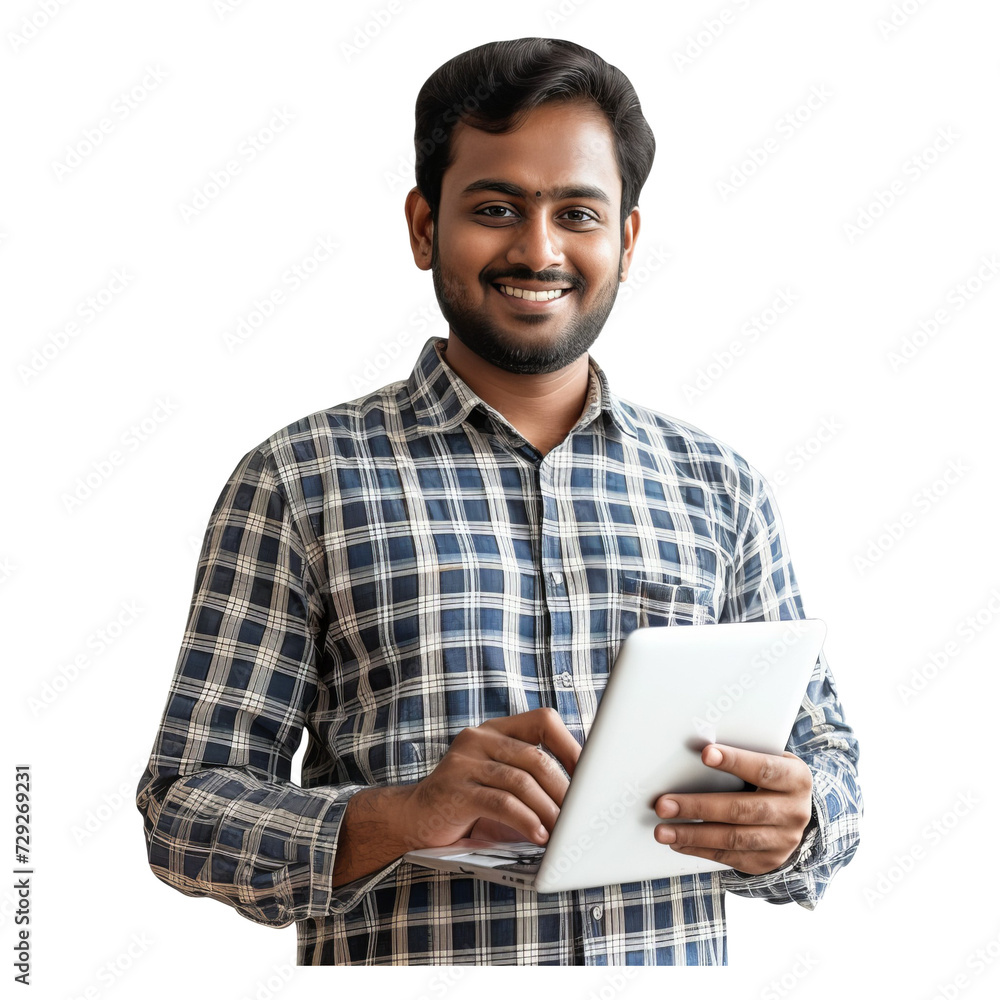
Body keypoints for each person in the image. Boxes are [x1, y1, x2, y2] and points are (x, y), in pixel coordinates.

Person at [136, 37, 861, 966]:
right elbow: (185, 805)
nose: (538, 248)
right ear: (423, 226)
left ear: (626, 241)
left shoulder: (720, 488)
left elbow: (832, 769)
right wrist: (396, 816)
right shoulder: (298, 479)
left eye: (578, 213)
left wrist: (797, 823)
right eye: (495, 208)